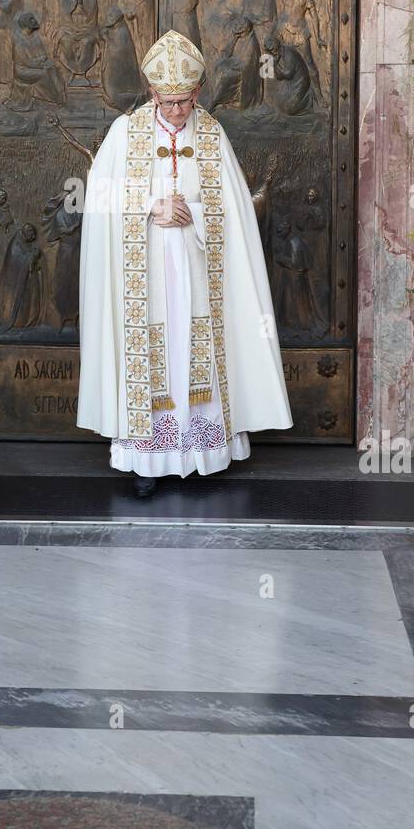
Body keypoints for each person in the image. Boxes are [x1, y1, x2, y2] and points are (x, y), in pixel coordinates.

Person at [77, 29, 292, 495]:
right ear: (152, 93)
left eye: (185, 100)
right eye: (168, 101)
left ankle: (202, 454)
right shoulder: (124, 133)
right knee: (154, 350)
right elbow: (99, 201)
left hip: (196, 265)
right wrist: (149, 208)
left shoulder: (212, 134)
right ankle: (146, 461)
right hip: (146, 267)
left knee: (193, 346)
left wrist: (192, 212)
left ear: (197, 92)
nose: (177, 110)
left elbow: (235, 210)